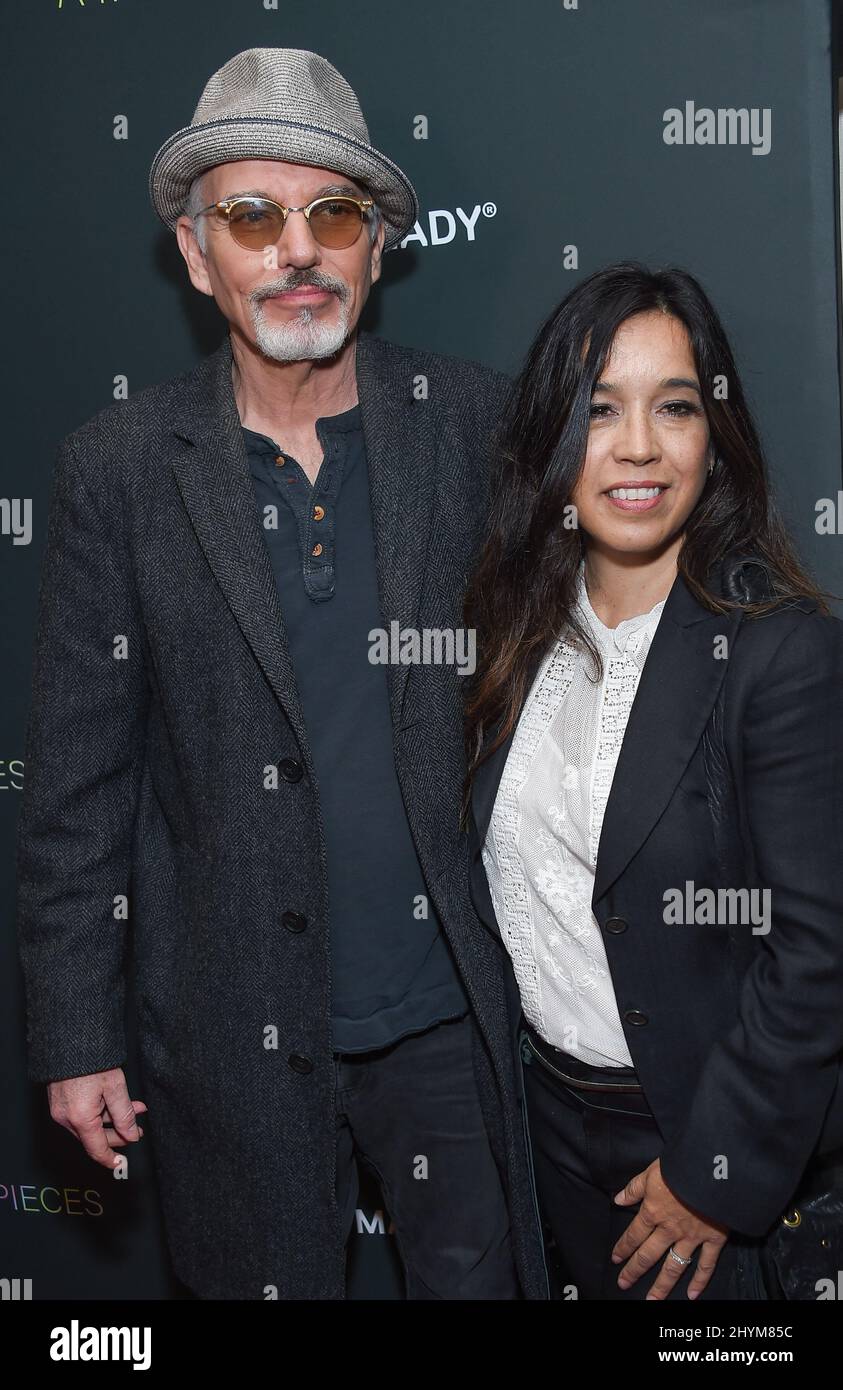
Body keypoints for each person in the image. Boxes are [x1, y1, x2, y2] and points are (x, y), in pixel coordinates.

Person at [15, 46, 549, 1301]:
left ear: (377, 248)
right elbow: (79, 788)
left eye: (334, 216)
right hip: (231, 1032)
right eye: (254, 218)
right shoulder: (123, 467)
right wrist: (76, 1031)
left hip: (452, 1025)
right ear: (199, 257)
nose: (296, 251)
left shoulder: (478, 423)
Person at [463, 262, 843, 1300]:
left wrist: (715, 1175)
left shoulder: (779, 652)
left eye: (674, 406)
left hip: (698, 1148)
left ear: (714, 437)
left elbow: (819, 957)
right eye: (599, 410)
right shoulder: (516, 635)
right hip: (547, 1137)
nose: (637, 446)